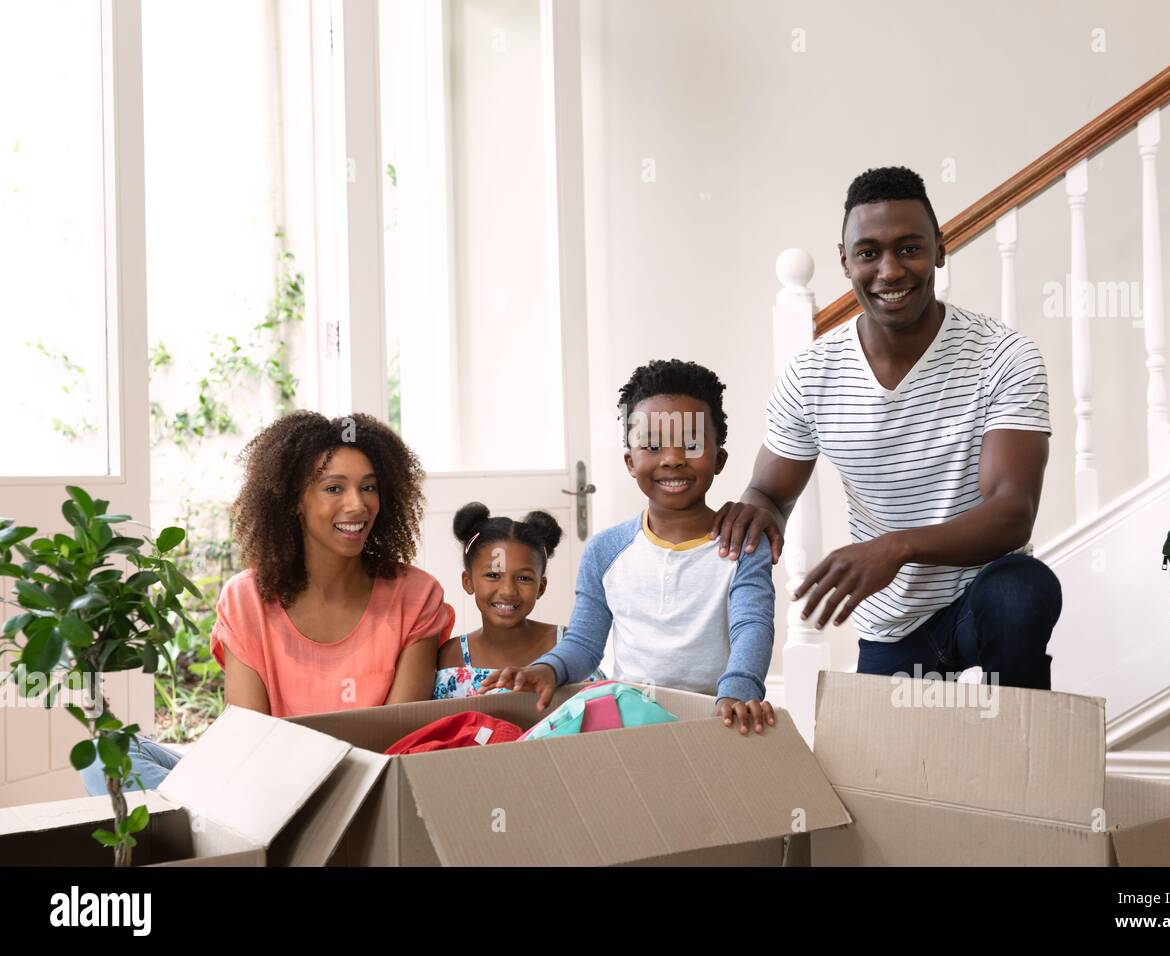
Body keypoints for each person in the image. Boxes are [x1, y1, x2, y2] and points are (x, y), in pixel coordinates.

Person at [711, 166, 1061, 690]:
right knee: (882, 770)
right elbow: (767, 491)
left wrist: (895, 547)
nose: (890, 271)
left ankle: (1023, 755)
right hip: (893, 623)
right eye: (870, 252)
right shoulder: (812, 375)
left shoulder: (1003, 357)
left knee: (1023, 592)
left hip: (984, 597)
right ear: (845, 261)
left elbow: (1013, 514)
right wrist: (751, 515)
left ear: (940, 249)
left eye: (910, 248)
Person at [81, 411, 455, 795]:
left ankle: (210, 827)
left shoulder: (416, 596)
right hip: (265, 784)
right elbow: (248, 741)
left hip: (360, 789)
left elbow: (396, 737)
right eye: (334, 488)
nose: (357, 505)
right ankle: (217, 823)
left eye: (369, 487)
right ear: (295, 501)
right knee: (102, 755)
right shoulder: (247, 600)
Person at [479, 359, 778, 734]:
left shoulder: (743, 546)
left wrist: (738, 690)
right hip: (631, 722)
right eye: (652, 445)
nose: (672, 458)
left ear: (719, 459)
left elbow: (752, 626)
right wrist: (547, 668)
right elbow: (585, 644)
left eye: (691, 444)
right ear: (630, 462)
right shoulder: (605, 551)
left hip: (717, 719)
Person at [434, 502, 604, 698]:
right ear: (468, 581)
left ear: (541, 587)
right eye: (493, 575)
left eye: (523, 578)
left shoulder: (568, 647)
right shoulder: (451, 656)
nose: (508, 591)